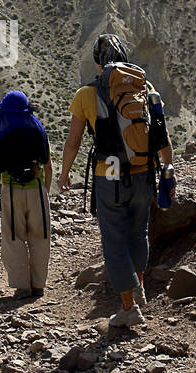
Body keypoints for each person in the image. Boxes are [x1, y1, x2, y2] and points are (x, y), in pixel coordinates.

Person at [58, 34, 173, 328]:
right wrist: (168, 167)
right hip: (144, 171)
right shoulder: (145, 88)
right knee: (139, 232)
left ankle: (128, 307)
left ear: (98, 61)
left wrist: (64, 172)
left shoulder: (86, 94)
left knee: (114, 239)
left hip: (108, 172)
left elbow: (73, 142)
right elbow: (161, 134)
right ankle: (140, 287)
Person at [0, 91, 52, 300]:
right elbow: (47, 164)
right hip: (37, 189)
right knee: (40, 237)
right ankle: (39, 285)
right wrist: (45, 190)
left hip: (11, 189)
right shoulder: (37, 129)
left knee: (14, 238)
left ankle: (22, 286)